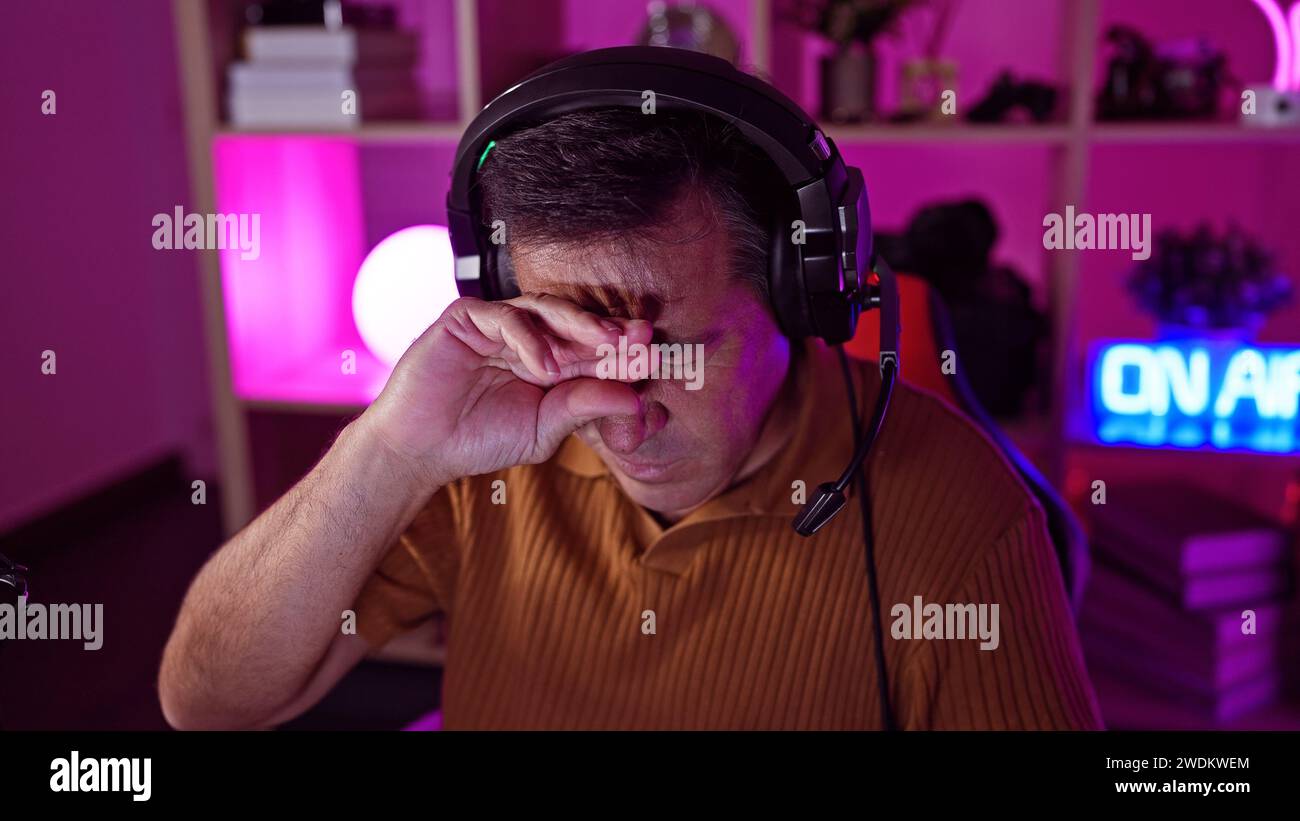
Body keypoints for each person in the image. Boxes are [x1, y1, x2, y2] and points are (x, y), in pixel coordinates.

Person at [159, 106, 1102, 731]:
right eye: (571, 338)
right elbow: (207, 700)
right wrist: (389, 449)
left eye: (676, 351)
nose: (619, 413)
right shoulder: (488, 445)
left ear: (800, 300)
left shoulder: (967, 517)